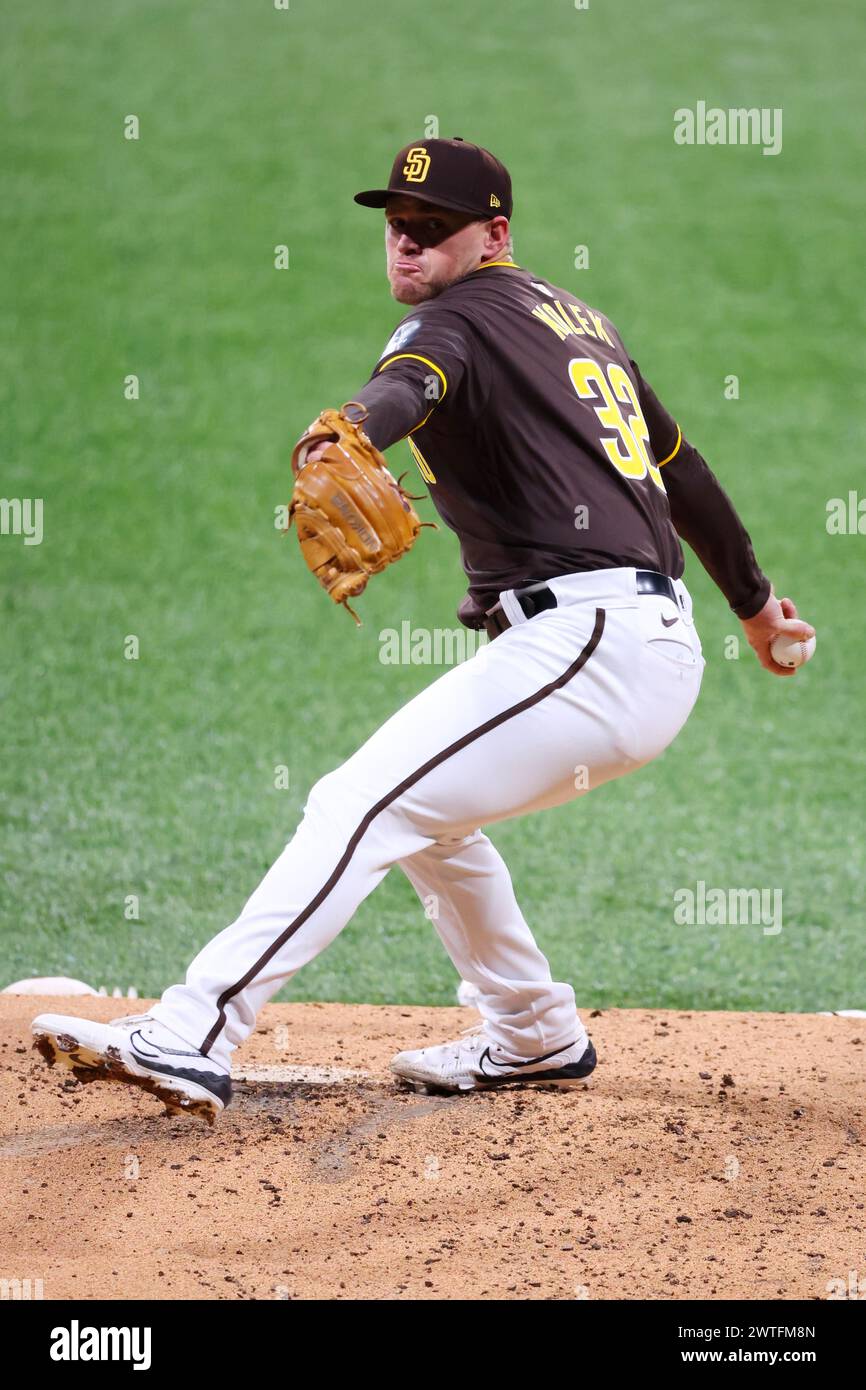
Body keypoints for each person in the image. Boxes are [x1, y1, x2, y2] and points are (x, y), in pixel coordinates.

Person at [32, 138, 815, 1122]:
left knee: (356, 801)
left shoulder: (454, 321)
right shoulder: (577, 322)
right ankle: (532, 1031)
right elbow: (680, 469)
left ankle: (193, 1032)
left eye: (432, 230)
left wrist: (350, 425)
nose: (406, 246)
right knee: (424, 814)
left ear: (494, 233)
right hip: (623, 643)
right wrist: (752, 608)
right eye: (396, 227)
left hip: (589, 648)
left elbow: (411, 387)